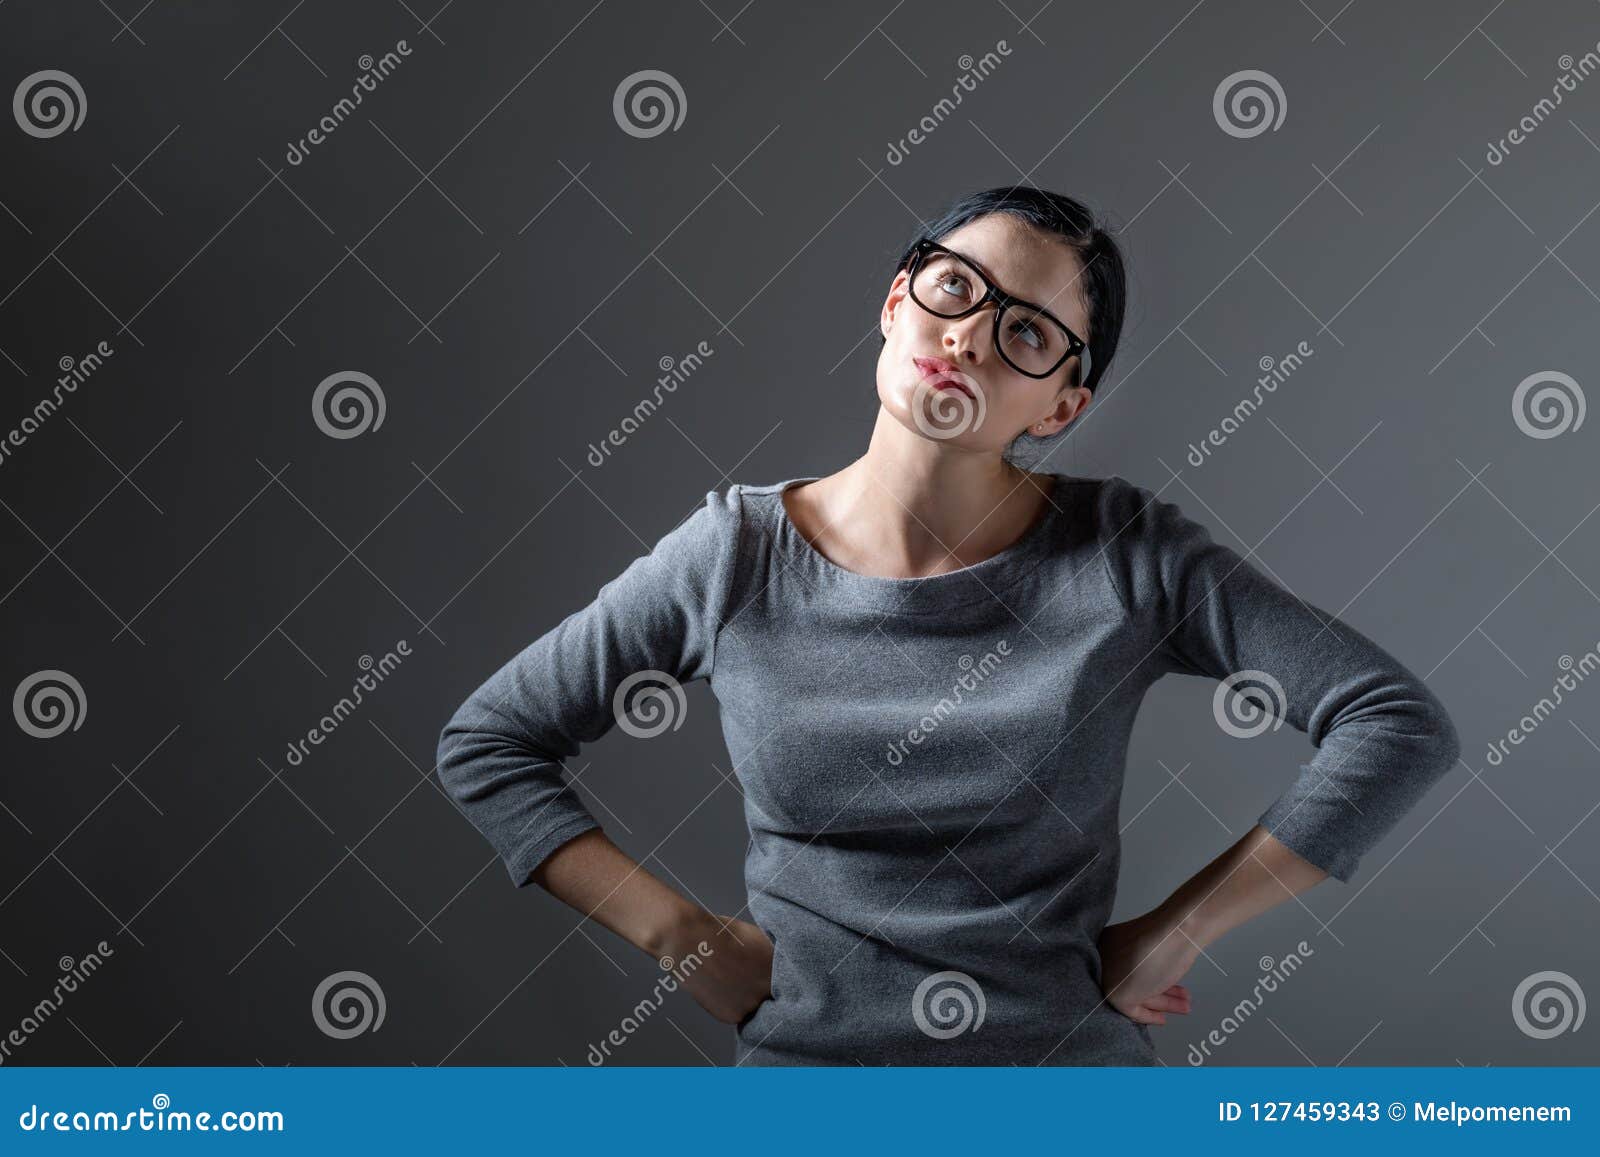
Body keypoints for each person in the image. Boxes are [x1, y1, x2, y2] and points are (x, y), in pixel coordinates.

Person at [435, 186, 1461, 1065]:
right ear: (897, 302)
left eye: (1028, 332)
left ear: (1059, 407)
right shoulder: (733, 556)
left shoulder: (1123, 551)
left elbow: (1393, 722)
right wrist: (681, 936)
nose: (968, 335)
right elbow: (490, 742)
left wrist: (1180, 928)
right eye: (955, 287)